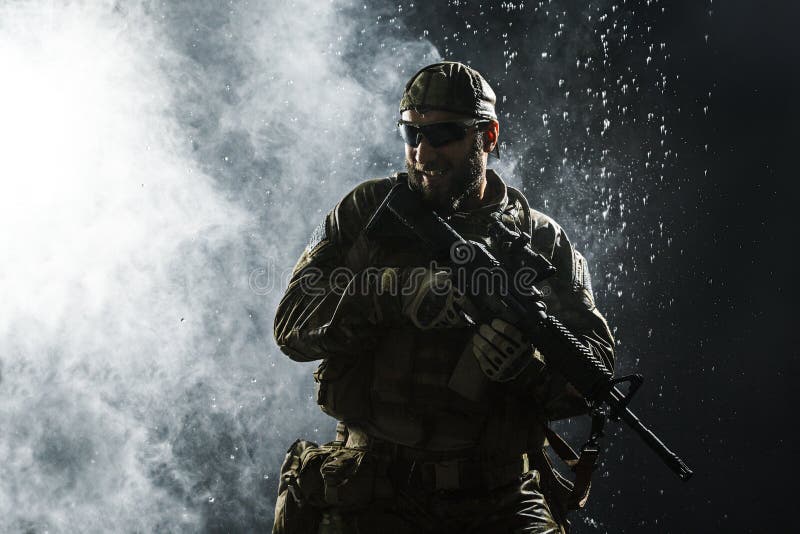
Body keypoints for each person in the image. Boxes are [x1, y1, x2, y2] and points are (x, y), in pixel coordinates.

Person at [272, 61, 615, 534]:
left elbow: (593, 372)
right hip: (371, 487)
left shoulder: (540, 241)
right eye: (411, 135)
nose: (423, 153)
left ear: (488, 136)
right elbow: (291, 325)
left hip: (496, 495)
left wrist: (527, 367)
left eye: (444, 135)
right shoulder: (369, 212)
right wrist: (394, 292)